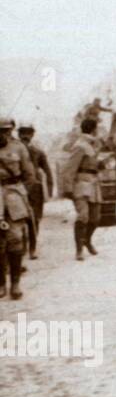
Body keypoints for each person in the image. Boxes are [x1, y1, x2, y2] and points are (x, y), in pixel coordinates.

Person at [0, 118, 35, 298]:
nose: (3, 134)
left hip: (13, 195)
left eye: (5, 131)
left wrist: (21, 194)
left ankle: (15, 283)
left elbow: (30, 175)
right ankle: (0, 284)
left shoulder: (19, 148)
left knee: (16, 239)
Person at [66, 116, 106, 263]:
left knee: (96, 218)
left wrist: (100, 164)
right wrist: (68, 188)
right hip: (82, 183)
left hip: (94, 183)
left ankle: (87, 240)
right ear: (93, 129)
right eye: (97, 128)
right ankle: (79, 250)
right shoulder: (80, 145)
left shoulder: (92, 144)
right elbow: (70, 167)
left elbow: (93, 163)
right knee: (83, 217)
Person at [16, 125, 53, 257]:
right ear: (18, 135)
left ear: (32, 135)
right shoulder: (14, 150)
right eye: (23, 133)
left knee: (34, 219)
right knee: (18, 219)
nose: (26, 136)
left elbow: (48, 171)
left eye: (29, 133)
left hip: (35, 190)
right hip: (17, 188)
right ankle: (21, 247)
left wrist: (49, 189)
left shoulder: (38, 152)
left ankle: (32, 248)